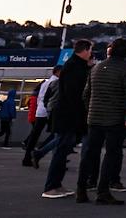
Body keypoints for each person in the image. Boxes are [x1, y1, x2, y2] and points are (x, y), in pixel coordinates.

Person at [76, 38, 126, 205]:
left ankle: (81, 190)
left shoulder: (96, 68)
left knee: (89, 154)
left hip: (94, 117)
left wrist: (91, 109)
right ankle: (103, 191)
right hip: (115, 119)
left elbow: (86, 94)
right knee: (111, 155)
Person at [42, 39, 93, 199]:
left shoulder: (73, 65)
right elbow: (74, 94)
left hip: (67, 115)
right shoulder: (74, 67)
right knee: (60, 151)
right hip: (68, 116)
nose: (91, 54)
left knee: (62, 150)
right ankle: (51, 186)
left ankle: (56, 184)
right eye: (90, 50)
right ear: (85, 50)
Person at [24, 66, 58, 167]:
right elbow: (53, 98)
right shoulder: (56, 82)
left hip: (40, 111)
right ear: (58, 72)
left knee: (35, 134)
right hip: (48, 111)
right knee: (56, 135)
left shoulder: (45, 82)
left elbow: (40, 97)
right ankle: (41, 151)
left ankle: (27, 157)